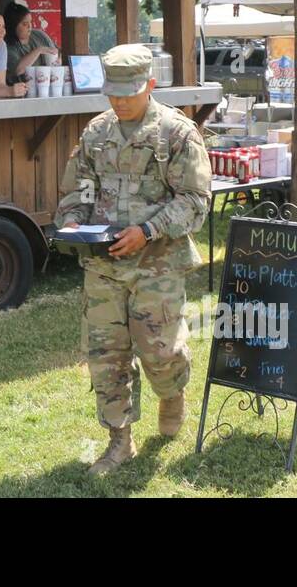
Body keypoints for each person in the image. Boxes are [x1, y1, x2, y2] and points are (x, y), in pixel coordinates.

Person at [55, 44, 211, 477]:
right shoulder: (95, 133)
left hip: (157, 265)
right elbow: (78, 189)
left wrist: (148, 230)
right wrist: (71, 222)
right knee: (106, 355)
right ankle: (118, 440)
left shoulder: (177, 134)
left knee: (159, 352)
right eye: (113, 92)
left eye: (130, 92)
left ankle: (171, 391)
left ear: (151, 85)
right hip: (104, 266)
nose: (120, 100)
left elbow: (196, 201)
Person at [3, 2, 58, 83]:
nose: (30, 26)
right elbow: (19, 70)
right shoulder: (7, 45)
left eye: (30, 22)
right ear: (13, 25)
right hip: (21, 91)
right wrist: (38, 50)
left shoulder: (40, 35)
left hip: (45, 86)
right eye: (25, 24)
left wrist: (57, 58)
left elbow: (54, 52)